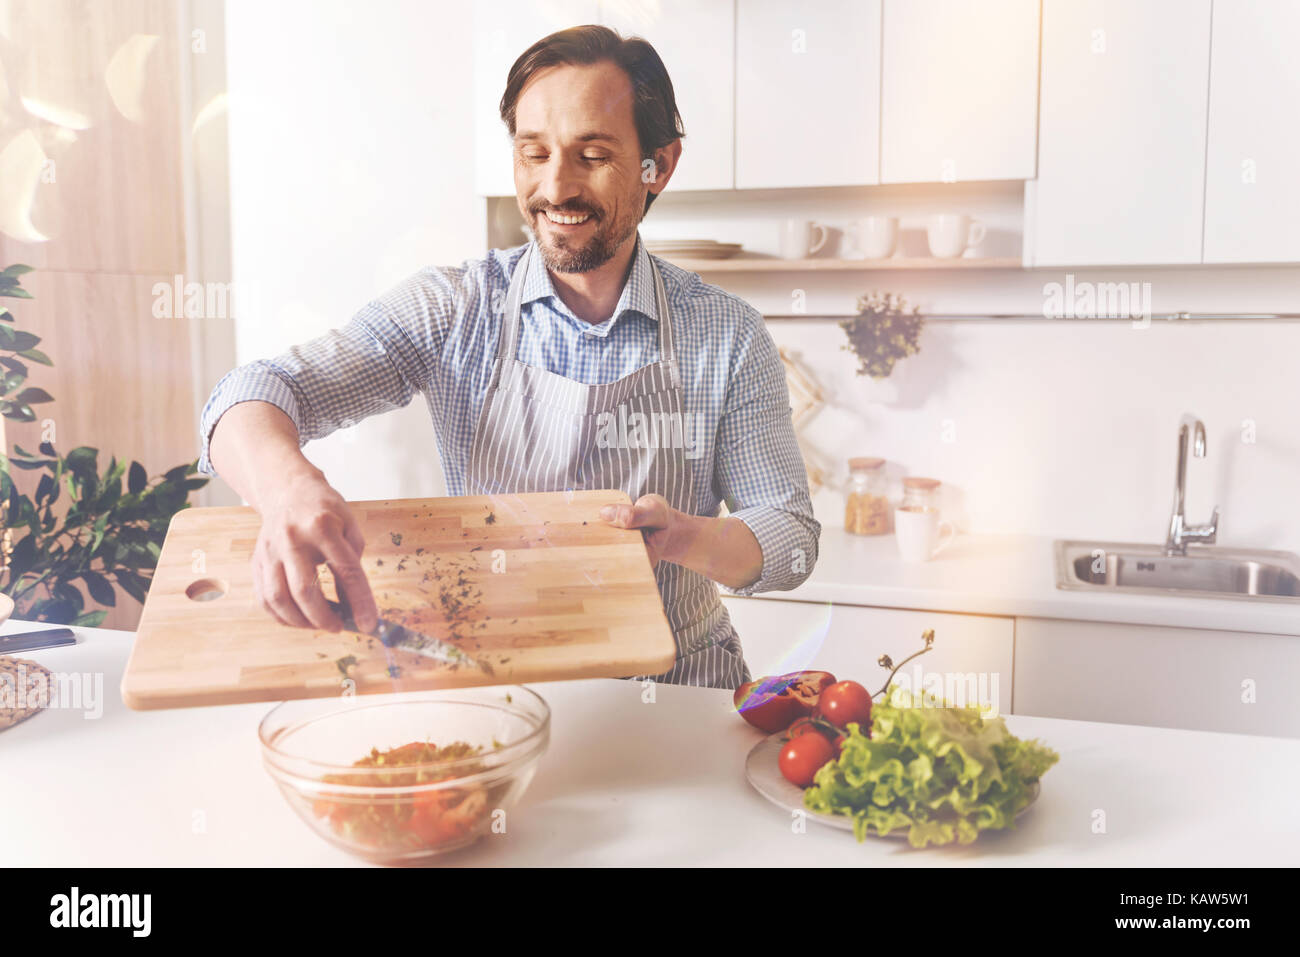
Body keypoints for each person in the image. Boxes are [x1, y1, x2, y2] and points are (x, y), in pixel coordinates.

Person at [198, 24, 819, 689]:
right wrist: (288, 487)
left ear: (657, 166)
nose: (556, 187)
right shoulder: (454, 309)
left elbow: (790, 538)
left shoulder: (727, 333)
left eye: (592, 154)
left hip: (678, 688)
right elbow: (249, 393)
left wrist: (687, 539)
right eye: (534, 153)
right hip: (502, 690)